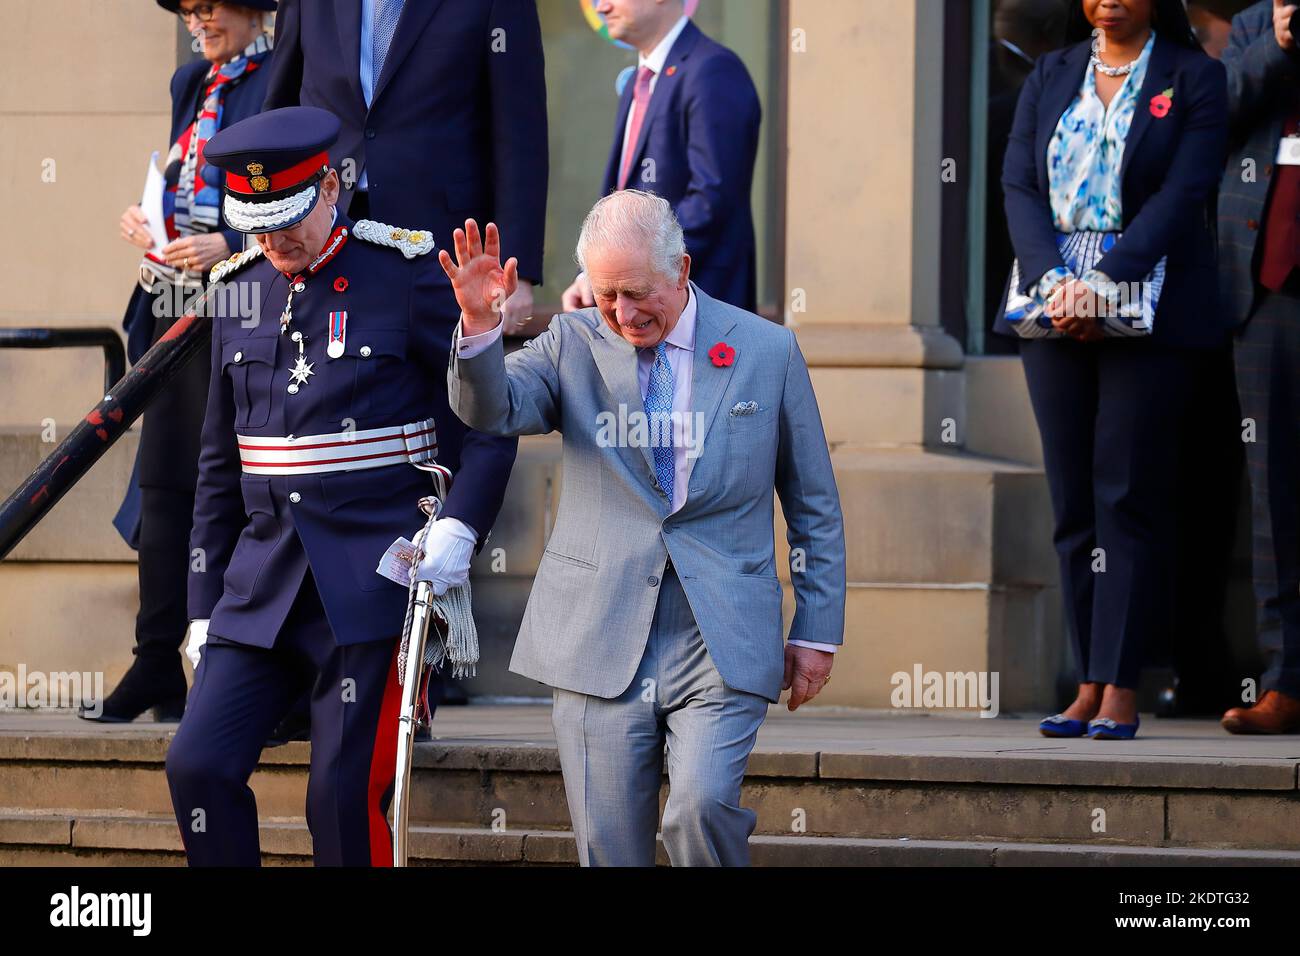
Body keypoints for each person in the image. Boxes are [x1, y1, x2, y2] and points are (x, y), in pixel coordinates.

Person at [444, 191, 846, 866]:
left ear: (682, 270)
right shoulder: (572, 343)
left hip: (718, 630)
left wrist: (816, 629)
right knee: (611, 850)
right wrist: (480, 328)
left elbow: (813, 504)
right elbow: (493, 409)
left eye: (637, 293)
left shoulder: (766, 352)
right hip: (598, 632)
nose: (624, 314)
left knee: (699, 810)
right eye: (606, 296)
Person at [164, 106, 517, 866]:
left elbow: (490, 422)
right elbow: (221, 470)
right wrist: (200, 609)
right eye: (257, 225)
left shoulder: (409, 274)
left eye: (289, 218)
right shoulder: (239, 287)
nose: (274, 241)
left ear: (331, 186)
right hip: (258, 590)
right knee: (197, 764)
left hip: (371, 584)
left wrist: (458, 527)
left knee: (340, 797)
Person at [999, 0, 1230, 739]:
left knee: (1127, 494)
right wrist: (1057, 281)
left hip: (1151, 301)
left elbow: (1183, 193)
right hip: (1052, 299)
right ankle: (1086, 681)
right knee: (1072, 503)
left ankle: (1123, 682)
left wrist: (1104, 283)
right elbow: (1019, 186)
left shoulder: (1194, 76)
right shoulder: (1051, 73)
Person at [87, 0, 277, 724]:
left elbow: (298, 194)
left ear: (254, 8)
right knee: (163, 487)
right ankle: (154, 660)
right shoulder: (188, 81)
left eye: (209, 7)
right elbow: (182, 176)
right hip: (169, 303)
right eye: (189, 9)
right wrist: (151, 217)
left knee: (222, 489)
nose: (197, 21)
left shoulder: (281, 76)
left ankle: (227, 670)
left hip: (244, 308)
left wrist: (230, 242)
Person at [263, 0, 546, 336]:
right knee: (329, 379)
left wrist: (517, 270)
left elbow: (519, 133)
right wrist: (273, 223)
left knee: (437, 383)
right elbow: (280, 116)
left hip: (442, 246)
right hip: (329, 230)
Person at [561, 0, 761, 314]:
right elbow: (620, 202)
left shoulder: (713, 69)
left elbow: (712, 199)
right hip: (643, 311)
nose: (602, 7)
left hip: (700, 312)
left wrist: (626, 267)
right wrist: (591, 275)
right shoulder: (638, 82)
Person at [1217, 0, 1300, 734]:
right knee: (1274, 494)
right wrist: (1275, 45)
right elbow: (1216, 116)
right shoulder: (1252, 27)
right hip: (1267, 286)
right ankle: (1285, 680)